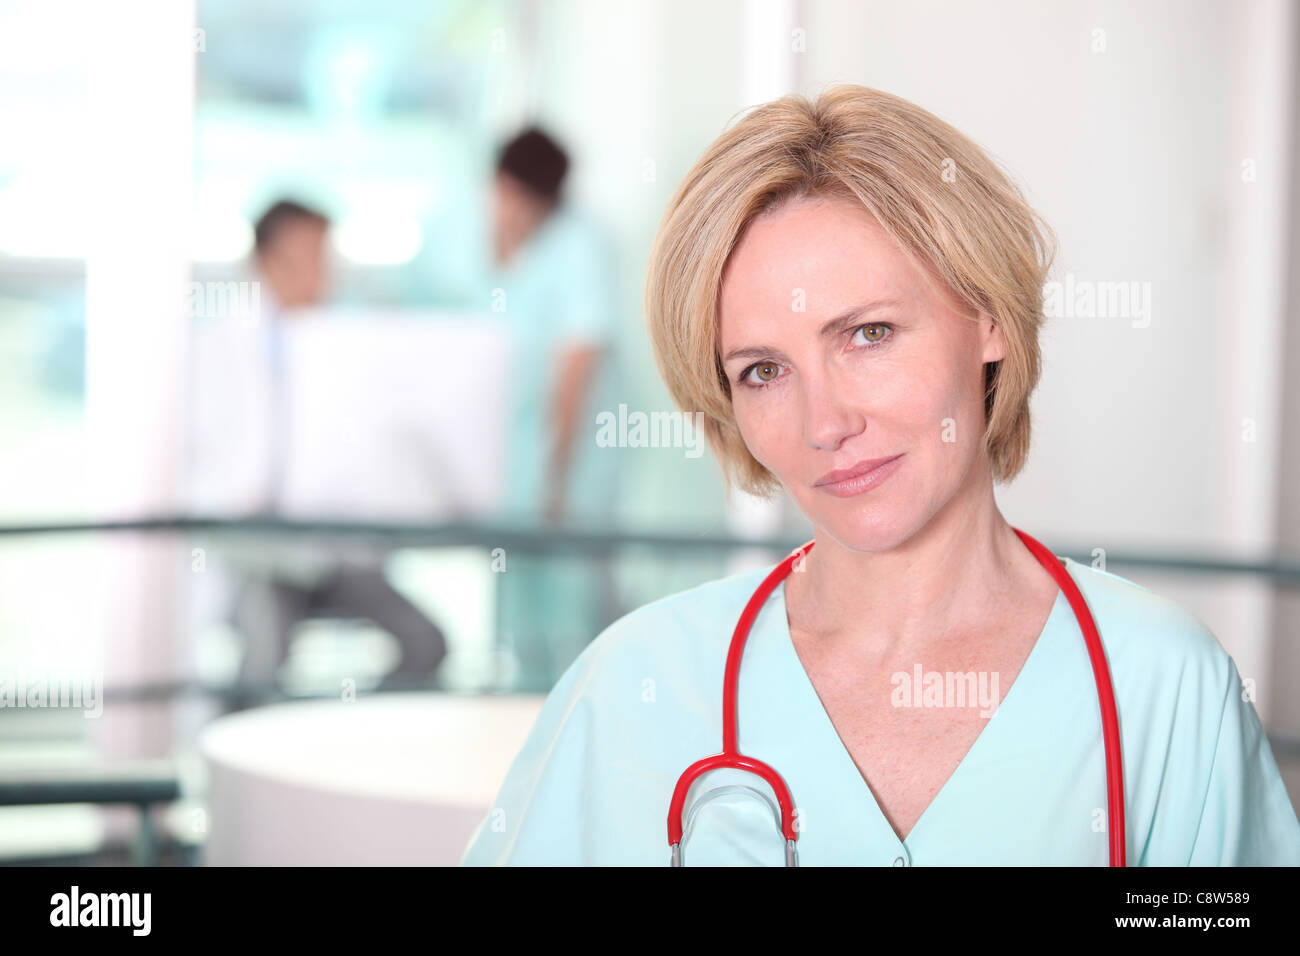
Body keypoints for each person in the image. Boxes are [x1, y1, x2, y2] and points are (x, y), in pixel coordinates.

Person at [460, 85, 1300, 865]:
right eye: (763, 371)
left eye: (867, 334)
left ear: (991, 320)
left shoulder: (1163, 687)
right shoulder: (636, 688)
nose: (825, 424)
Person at [226, 200, 448, 699]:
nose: (317, 276)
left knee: (426, 644)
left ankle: (351, 742)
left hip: (339, 548)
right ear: (263, 265)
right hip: (263, 551)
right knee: (265, 657)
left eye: (322, 258)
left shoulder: (346, 346)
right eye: (300, 259)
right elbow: (223, 465)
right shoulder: (233, 345)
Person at [482, 127, 619, 690]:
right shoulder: (510, 251)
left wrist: (556, 477)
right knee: (519, 620)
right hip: (518, 470)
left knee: (570, 623)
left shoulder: (576, 247)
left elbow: (576, 370)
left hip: (567, 468)